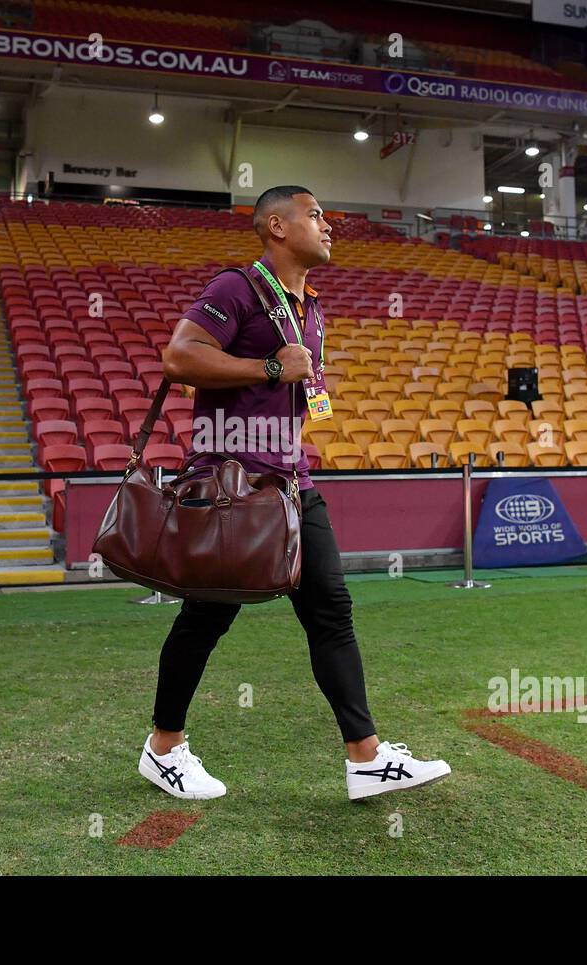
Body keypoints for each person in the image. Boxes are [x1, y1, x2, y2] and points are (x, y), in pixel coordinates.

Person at [137, 185, 451, 802]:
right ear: (276, 226)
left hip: (291, 482)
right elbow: (179, 358)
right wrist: (271, 368)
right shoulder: (236, 289)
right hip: (231, 484)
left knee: (331, 609)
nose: (328, 225)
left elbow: (299, 385)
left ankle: (366, 759)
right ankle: (163, 748)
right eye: (315, 216)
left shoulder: (310, 305)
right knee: (206, 616)